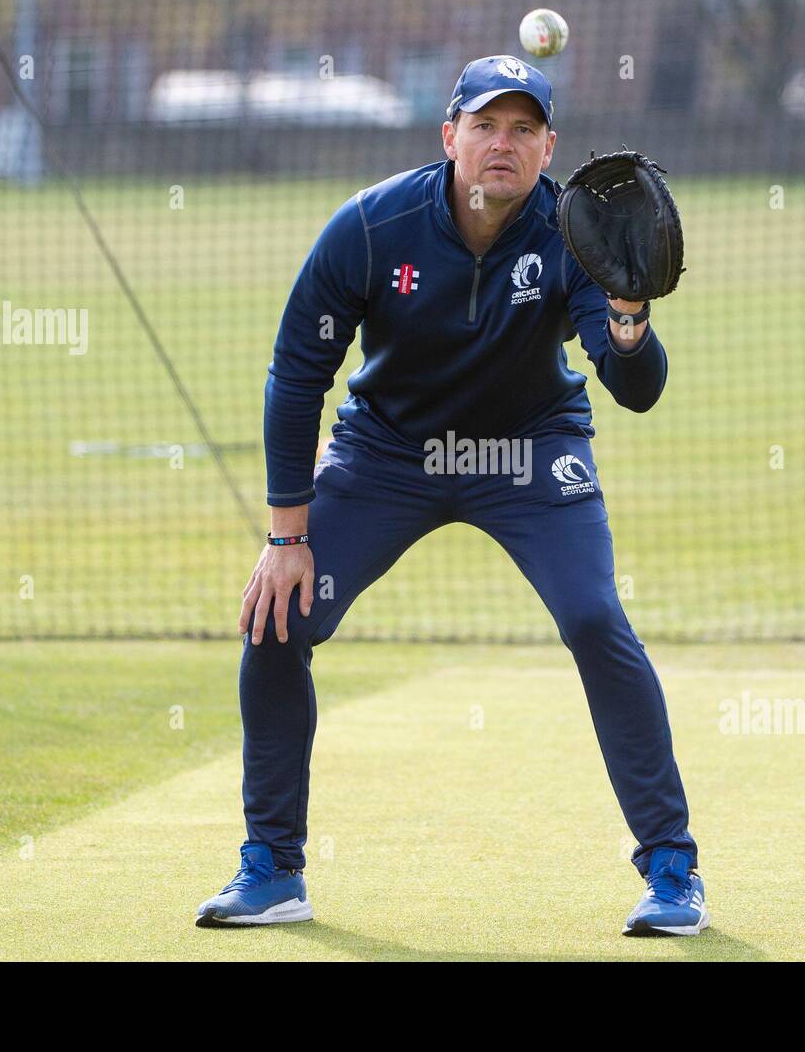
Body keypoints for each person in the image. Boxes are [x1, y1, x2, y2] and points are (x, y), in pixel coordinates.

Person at [196, 55, 707, 936]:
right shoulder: (371, 226)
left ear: (549, 148)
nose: (500, 145)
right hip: (390, 452)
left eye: (522, 130)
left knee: (593, 617)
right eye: (483, 125)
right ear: (449, 137)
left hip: (529, 452)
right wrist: (287, 536)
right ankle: (272, 868)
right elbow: (296, 376)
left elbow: (638, 388)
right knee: (278, 617)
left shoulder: (574, 232)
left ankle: (672, 869)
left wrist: (628, 314)